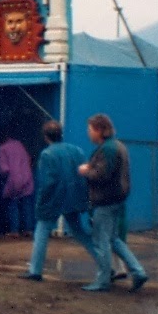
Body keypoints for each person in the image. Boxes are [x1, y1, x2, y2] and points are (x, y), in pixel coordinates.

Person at [18, 121, 97, 281]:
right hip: (74, 198)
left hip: (54, 199)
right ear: (61, 134)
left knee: (41, 231)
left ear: (46, 137)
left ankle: (35, 270)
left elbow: (47, 183)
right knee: (79, 232)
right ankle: (105, 264)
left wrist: (41, 203)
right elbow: (84, 174)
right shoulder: (77, 151)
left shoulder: (47, 154)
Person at [78, 113, 148, 293]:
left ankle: (102, 281)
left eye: (90, 129)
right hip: (117, 200)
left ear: (100, 130)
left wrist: (86, 171)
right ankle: (138, 271)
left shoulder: (107, 149)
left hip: (105, 201)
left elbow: (101, 176)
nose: (88, 133)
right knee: (114, 240)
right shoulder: (118, 146)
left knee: (101, 241)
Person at [0, 129, 35, 237]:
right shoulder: (19, 144)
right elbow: (28, 158)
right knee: (26, 205)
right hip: (27, 177)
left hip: (13, 180)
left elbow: (4, 169)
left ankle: (14, 231)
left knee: (13, 205)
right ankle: (28, 229)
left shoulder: (2, 148)